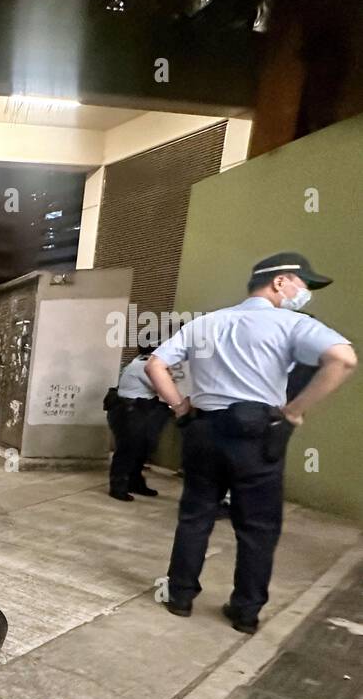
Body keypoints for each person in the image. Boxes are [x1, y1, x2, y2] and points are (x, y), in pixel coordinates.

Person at [146, 252, 356, 633]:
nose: (305, 291)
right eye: (303, 283)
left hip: (203, 431)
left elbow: (154, 365)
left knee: (195, 517)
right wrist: (294, 411)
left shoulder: (206, 323)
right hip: (256, 435)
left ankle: (180, 597)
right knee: (257, 527)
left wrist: (179, 406)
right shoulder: (291, 323)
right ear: (280, 282)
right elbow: (343, 359)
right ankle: (245, 611)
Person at [107, 341, 174, 500]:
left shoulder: (142, 362)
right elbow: (163, 386)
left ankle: (135, 483)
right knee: (127, 450)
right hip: (130, 411)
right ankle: (118, 487)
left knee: (140, 450)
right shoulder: (143, 366)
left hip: (141, 410)